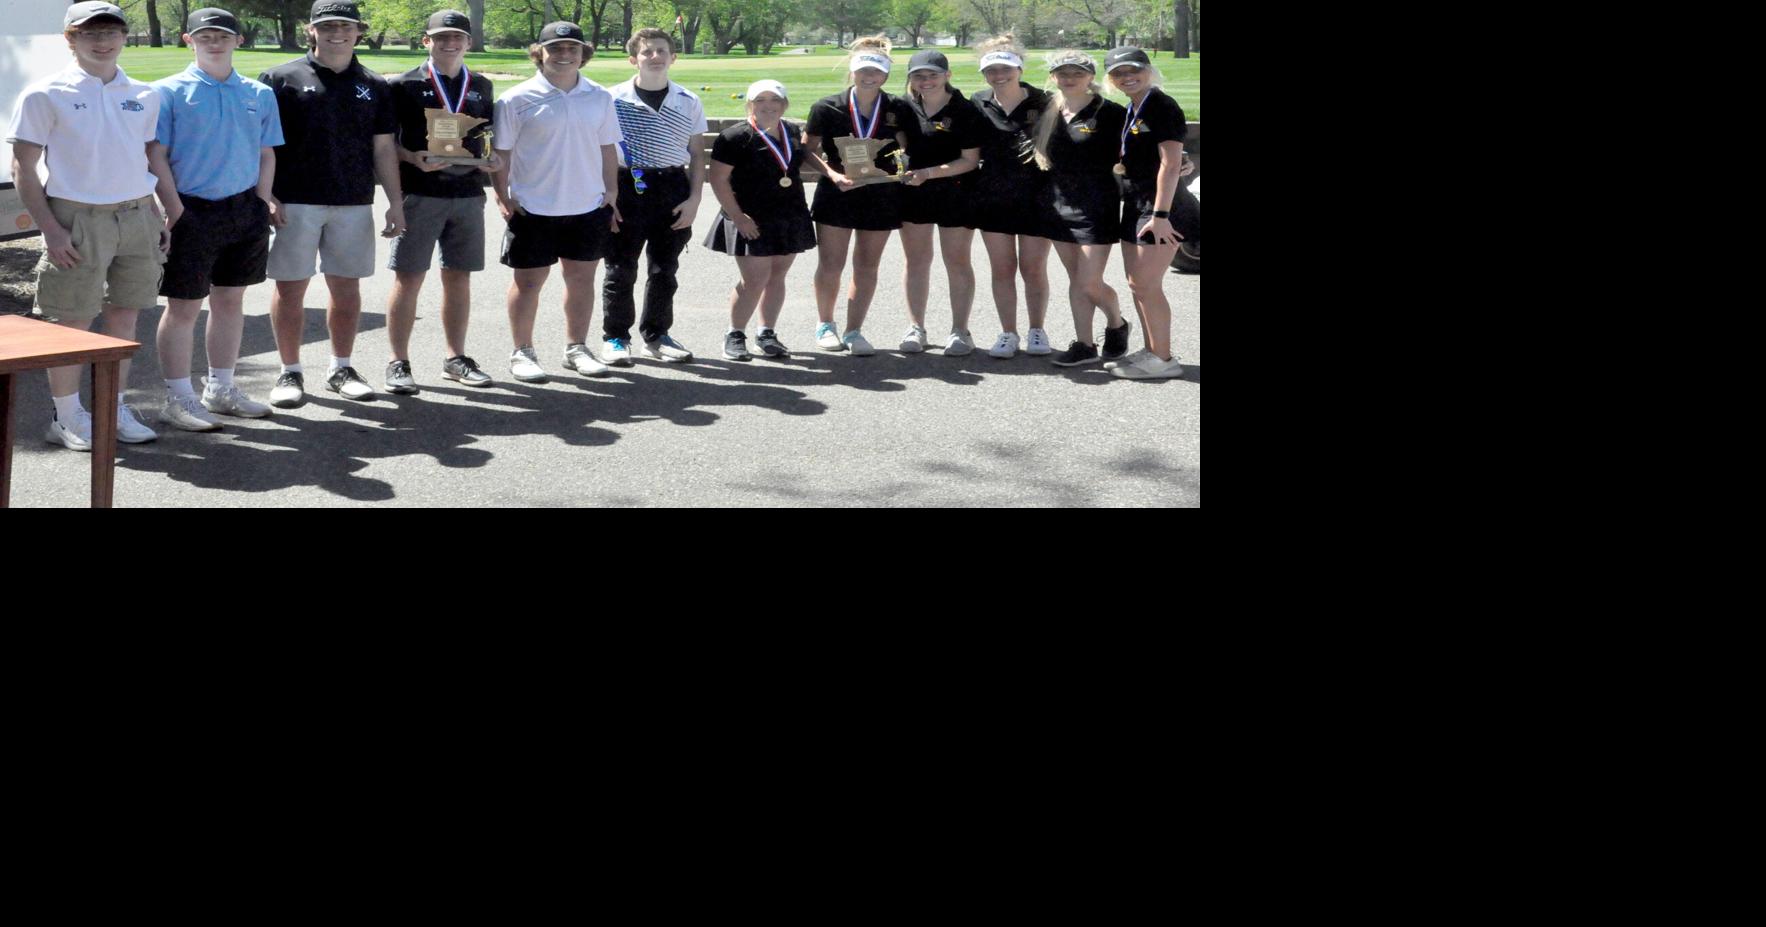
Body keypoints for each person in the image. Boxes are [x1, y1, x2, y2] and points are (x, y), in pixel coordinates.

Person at [6, 1, 176, 450]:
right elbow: (23, 166)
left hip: (136, 215)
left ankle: (112, 407)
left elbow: (144, 156)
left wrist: (158, 210)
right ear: (70, 39)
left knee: (125, 314)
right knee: (72, 321)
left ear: (124, 37)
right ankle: (66, 417)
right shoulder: (46, 93)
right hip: (77, 218)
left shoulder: (144, 93)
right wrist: (51, 229)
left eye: (111, 32)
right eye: (89, 33)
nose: (102, 42)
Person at [259, 0, 407, 407]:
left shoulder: (376, 85)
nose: (336, 33)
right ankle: (290, 371)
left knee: (346, 288)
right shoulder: (280, 77)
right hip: (295, 202)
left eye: (345, 25)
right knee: (291, 289)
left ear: (359, 30)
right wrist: (266, 193)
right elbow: (261, 144)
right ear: (312, 30)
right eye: (327, 26)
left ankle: (341, 367)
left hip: (353, 201)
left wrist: (394, 201)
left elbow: (383, 150)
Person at [149, 7, 282, 432]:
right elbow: (157, 155)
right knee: (184, 306)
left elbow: (266, 152)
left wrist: (262, 202)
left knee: (230, 301)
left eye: (223, 35)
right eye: (204, 35)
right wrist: (174, 210)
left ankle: (220, 388)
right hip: (191, 208)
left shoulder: (258, 93)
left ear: (238, 40)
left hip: (244, 209)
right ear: (189, 40)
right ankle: (178, 397)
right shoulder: (168, 92)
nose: (214, 41)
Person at [491, 21, 623, 383]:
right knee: (528, 283)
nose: (565, 54)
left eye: (572, 48)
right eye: (556, 48)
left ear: (583, 54)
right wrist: (503, 197)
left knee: (581, 280)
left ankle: (576, 348)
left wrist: (611, 191)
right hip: (533, 207)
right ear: (540, 53)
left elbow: (607, 147)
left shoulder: (599, 96)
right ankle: (523, 352)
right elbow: (500, 153)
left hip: (587, 205)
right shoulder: (516, 98)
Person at [381, 9, 499, 394]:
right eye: (441, 37)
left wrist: (492, 159)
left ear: (468, 42)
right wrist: (412, 157)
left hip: (467, 194)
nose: (450, 43)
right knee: (409, 276)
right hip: (420, 194)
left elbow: (485, 137)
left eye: (458, 37)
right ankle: (398, 362)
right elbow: (385, 145)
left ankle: (455, 358)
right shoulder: (403, 85)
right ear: (426, 41)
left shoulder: (480, 84)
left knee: (459, 277)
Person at [602, 27, 706, 366]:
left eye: (662, 51)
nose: (655, 57)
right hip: (626, 186)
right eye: (647, 52)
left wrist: (694, 200)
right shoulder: (612, 99)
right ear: (633, 59)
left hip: (672, 187)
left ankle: (656, 335)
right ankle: (616, 337)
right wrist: (608, 196)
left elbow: (697, 154)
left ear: (673, 57)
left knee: (664, 270)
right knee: (621, 268)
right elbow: (599, 151)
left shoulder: (688, 100)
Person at [801, 35, 911, 356]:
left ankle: (854, 330)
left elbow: (907, 148)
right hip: (838, 190)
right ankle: (825, 325)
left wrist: (894, 168)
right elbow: (807, 151)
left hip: (880, 194)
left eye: (875, 71)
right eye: (863, 70)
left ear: (885, 75)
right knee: (831, 264)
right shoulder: (826, 107)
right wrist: (833, 174)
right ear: (852, 72)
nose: (868, 76)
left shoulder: (898, 107)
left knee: (866, 266)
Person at [1031, 51, 1132, 368]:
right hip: (1058, 205)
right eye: (1063, 72)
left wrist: (1180, 158)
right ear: (1053, 77)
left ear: (1091, 77)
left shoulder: (1111, 113)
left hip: (1096, 205)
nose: (1069, 78)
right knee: (1076, 279)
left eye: (1077, 72)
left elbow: (1143, 145)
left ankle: (1117, 324)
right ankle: (1084, 344)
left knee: (1089, 281)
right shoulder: (1047, 111)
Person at [703, 80, 815, 361]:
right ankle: (735, 334)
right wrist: (737, 217)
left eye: (774, 100)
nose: (768, 106)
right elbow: (718, 179)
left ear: (784, 104)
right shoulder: (735, 136)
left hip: (789, 214)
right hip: (749, 217)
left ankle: (766, 333)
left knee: (777, 275)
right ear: (749, 105)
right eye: (760, 100)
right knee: (754, 279)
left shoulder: (790, 131)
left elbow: (795, 163)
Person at [1103, 46, 1195, 381]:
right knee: (1136, 284)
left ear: (1148, 69)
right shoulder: (1134, 106)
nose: (1127, 77)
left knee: (1147, 283)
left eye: (1133, 70)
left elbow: (1171, 165)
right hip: (1137, 202)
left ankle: (1163, 357)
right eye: (1118, 73)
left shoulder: (1161, 106)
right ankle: (1151, 349)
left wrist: (1161, 214)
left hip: (1161, 208)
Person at [968, 34, 1054, 359]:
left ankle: (1036, 329)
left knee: (1033, 269)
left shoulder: (1044, 100)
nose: (998, 75)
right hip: (992, 197)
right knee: (1001, 269)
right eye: (991, 70)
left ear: (1018, 68)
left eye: (1005, 68)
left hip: (1037, 197)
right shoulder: (977, 102)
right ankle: (1008, 332)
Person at [895, 50, 982, 356]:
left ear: (947, 75)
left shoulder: (965, 109)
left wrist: (929, 173)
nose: (926, 81)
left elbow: (970, 160)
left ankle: (960, 330)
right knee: (916, 261)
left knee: (956, 261)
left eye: (933, 74)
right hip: (913, 193)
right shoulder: (903, 106)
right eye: (919, 75)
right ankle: (916, 327)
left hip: (956, 191)